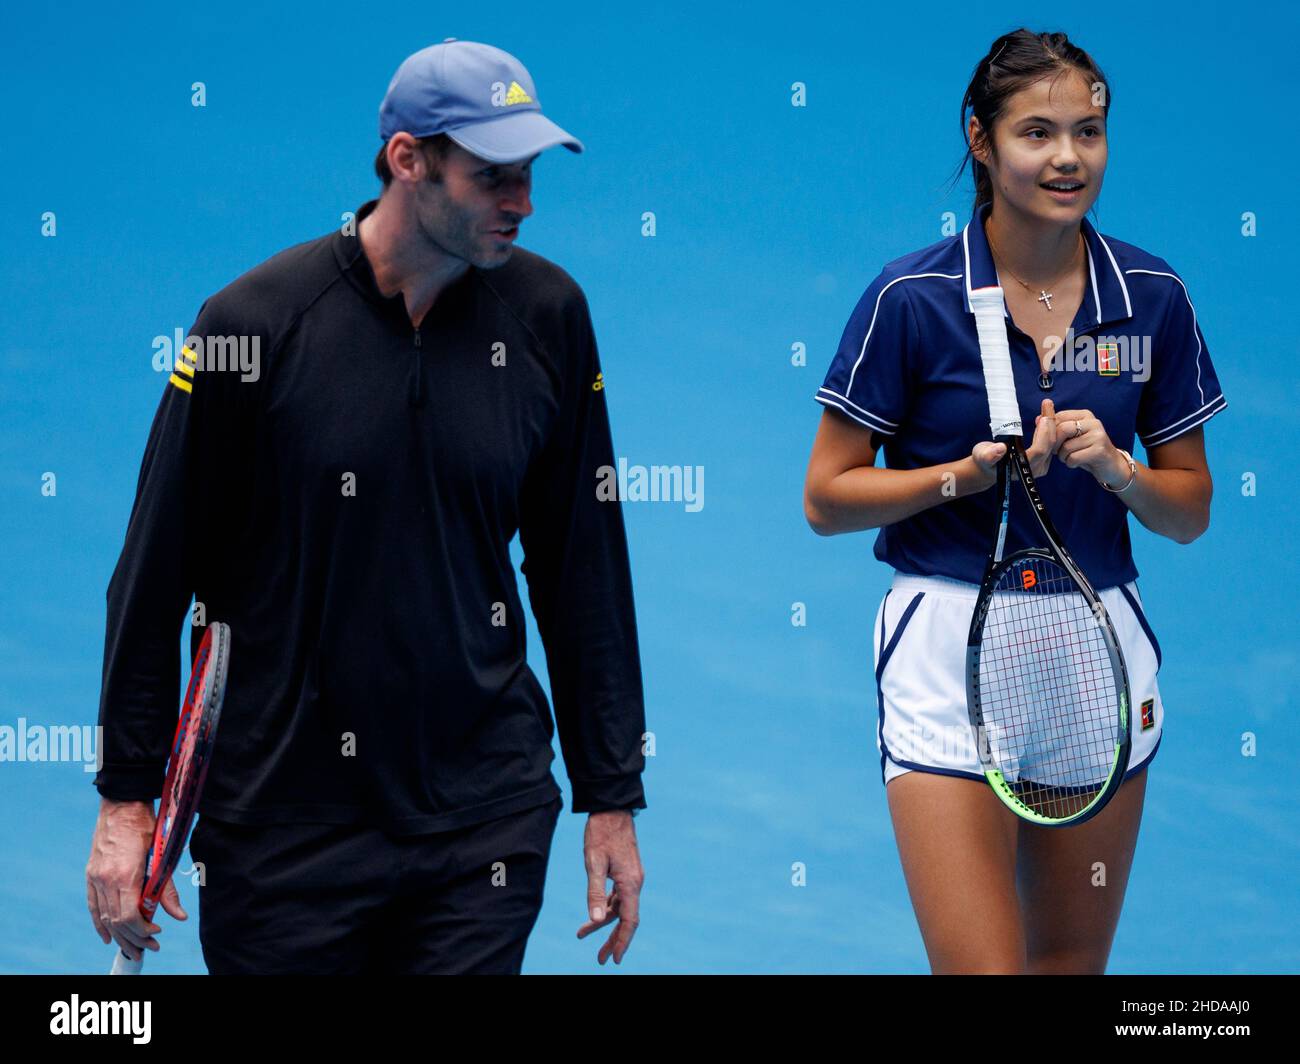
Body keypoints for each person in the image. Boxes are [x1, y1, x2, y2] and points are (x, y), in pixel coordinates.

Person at [87, 39, 647, 974]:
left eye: (530, 174)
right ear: (407, 160)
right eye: (493, 176)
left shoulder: (550, 317)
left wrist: (611, 793)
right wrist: (125, 799)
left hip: (483, 817)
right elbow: (153, 571)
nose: (524, 202)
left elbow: (583, 565)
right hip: (282, 825)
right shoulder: (248, 328)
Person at [803, 29, 1225, 974]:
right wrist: (960, 475)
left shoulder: (1153, 299)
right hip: (948, 644)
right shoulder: (910, 300)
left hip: (1097, 651)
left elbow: (1190, 509)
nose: (1069, 158)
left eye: (1089, 131)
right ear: (982, 141)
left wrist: (1119, 470)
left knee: (1069, 970)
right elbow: (827, 498)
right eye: (1038, 132)